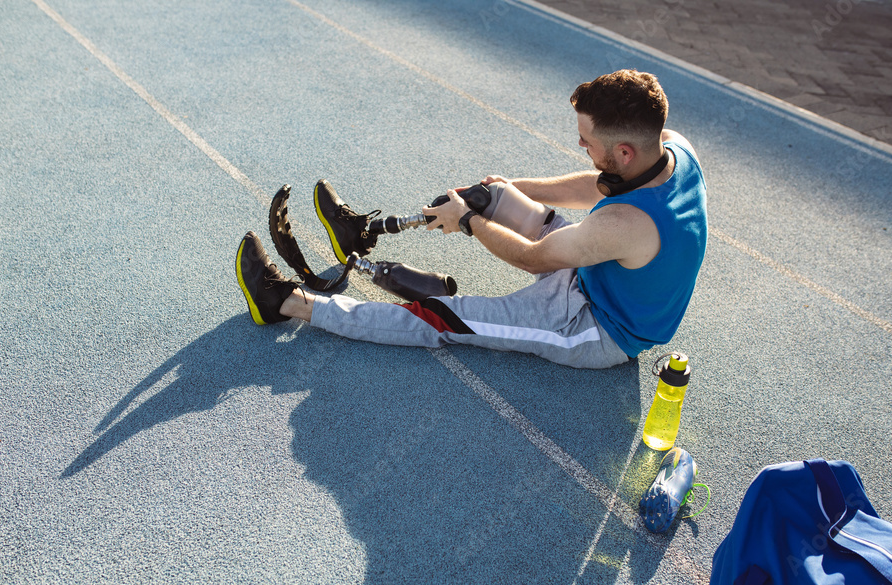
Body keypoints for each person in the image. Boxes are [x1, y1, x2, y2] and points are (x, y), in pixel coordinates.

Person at [235, 69, 707, 369]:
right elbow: (596, 185)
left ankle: (287, 304)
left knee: (441, 317)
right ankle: (362, 233)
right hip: (598, 266)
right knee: (489, 196)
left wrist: (467, 222)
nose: (581, 146)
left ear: (624, 150)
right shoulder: (670, 149)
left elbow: (533, 259)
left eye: (587, 140)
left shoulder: (624, 225)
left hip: (591, 326)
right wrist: (506, 193)